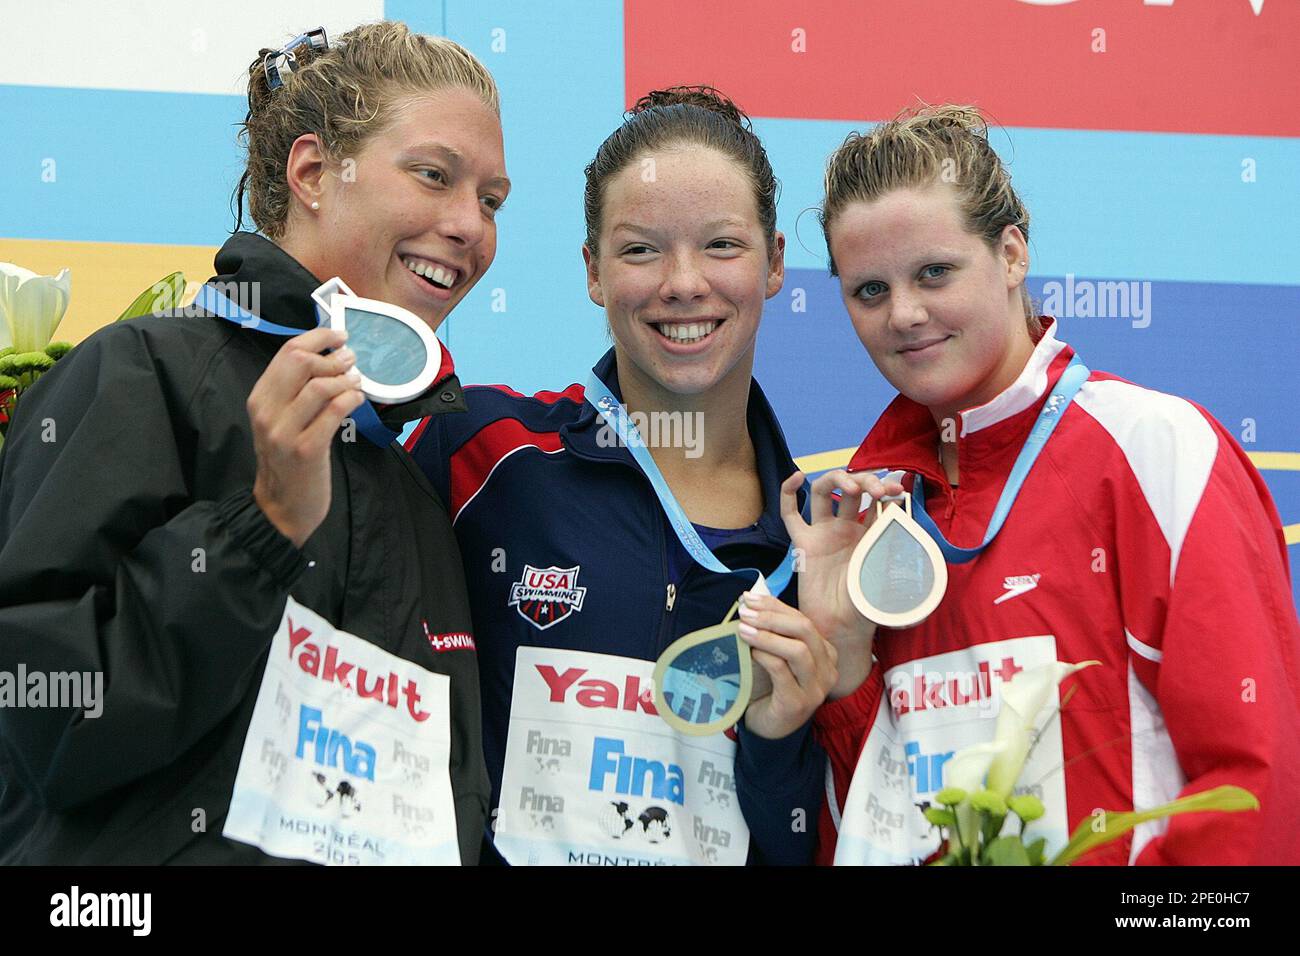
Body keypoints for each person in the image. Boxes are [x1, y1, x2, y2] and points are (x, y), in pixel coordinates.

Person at [0, 21, 508, 864]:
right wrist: (261, 525)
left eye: (491, 201)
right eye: (433, 176)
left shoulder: (407, 471)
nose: (470, 227)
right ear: (313, 172)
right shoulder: (139, 375)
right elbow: (48, 723)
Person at [767, 105, 1300, 865]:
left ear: (1012, 253)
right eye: (869, 291)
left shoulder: (1153, 450)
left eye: (934, 272)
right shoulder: (872, 516)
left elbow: (1257, 787)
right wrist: (849, 672)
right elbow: (878, 828)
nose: (905, 315)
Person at [408, 88, 834, 865]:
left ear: (774, 263)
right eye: (640, 250)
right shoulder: (481, 451)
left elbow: (808, 844)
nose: (682, 283)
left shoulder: (821, 551)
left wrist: (776, 746)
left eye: (721, 246)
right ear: (593, 272)